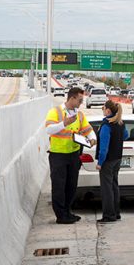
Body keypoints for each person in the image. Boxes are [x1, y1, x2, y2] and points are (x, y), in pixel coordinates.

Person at [44, 87, 95, 224]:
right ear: (72, 98)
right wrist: (63, 124)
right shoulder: (56, 111)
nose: (81, 103)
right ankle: (61, 216)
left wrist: (92, 138)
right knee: (59, 186)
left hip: (73, 155)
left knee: (71, 186)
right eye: (79, 100)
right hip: (58, 155)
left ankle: (67, 212)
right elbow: (48, 129)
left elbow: (88, 129)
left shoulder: (79, 115)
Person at [96, 100, 129, 223]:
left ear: (108, 111)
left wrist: (100, 163)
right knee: (114, 186)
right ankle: (116, 213)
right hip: (117, 159)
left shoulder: (106, 126)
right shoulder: (120, 123)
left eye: (103, 108)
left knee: (106, 188)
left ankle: (109, 215)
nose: (103, 110)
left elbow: (104, 149)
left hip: (108, 161)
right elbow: (126, 135)